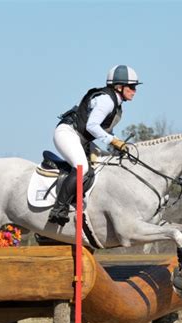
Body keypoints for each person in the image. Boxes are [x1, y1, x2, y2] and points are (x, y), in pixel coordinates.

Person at [48, 64, 142, 226]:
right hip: (67, 133)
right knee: (82, 168)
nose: (134, 91)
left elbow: (104, 130)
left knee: (105, 163)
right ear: (119, 87)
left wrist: (118, 144)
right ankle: (59, 208)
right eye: (131, 87)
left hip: (82, 139)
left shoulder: (116, 104)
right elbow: (92, 126)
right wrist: (114, 141)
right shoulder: (107, 101)